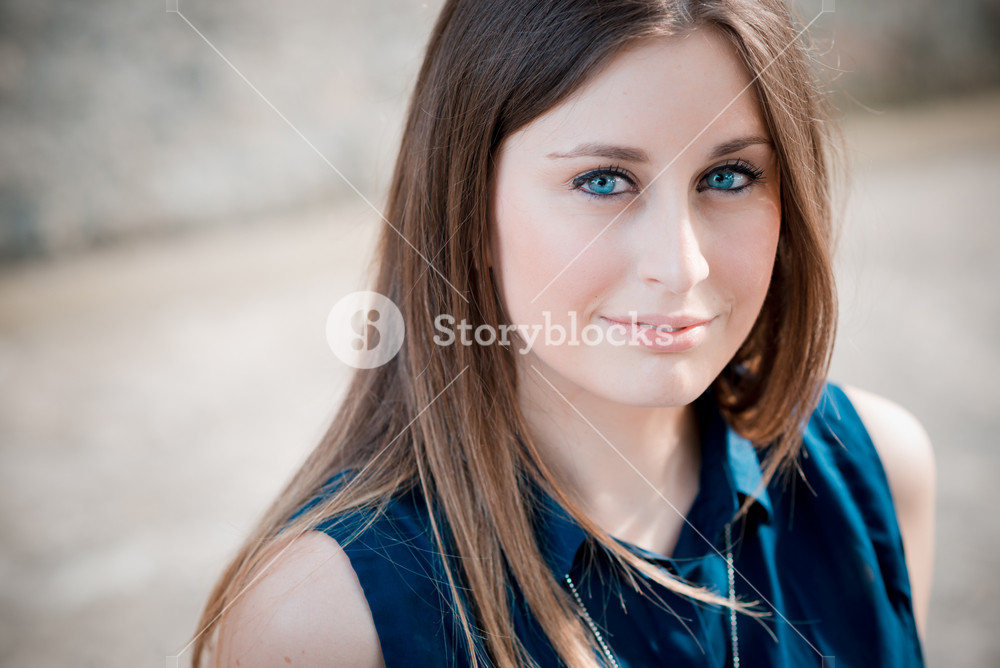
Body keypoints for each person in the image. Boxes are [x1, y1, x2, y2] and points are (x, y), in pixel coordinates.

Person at [192, 0, 935, 666]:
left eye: (730, 175)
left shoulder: (878, 474)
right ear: (468, 209)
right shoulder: (323, 621)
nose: (681, 266)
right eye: (604, 181)